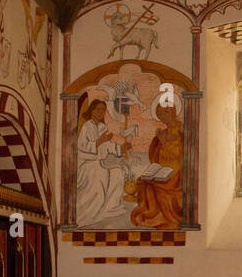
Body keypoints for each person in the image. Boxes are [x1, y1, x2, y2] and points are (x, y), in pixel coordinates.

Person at [129, 102, 183, 228]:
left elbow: (180, 154)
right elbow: (154, 154)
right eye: (161, 115)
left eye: (166, 113)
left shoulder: (181, 132)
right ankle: (150, 212)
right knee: (143, 181)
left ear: (174, 113)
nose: (164, 117)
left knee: (157, 187)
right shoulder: (162, 133)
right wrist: (158, 140)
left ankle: (163, 217)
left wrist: (164, 142)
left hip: (175, 172)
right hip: (161, 169)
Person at [75, 97, 127, 225]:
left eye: (103, 110)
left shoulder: (103, 127)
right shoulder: (87, 126)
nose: (100, 112)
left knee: (118, 171)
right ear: (92, 111)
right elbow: (82, 147)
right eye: (98, 109)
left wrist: (120, 149)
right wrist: (100, 141)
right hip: (86, 163)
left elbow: (108, 147)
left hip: (100, 161)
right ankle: (93, 209)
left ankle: (110, 208)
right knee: (99, 172)